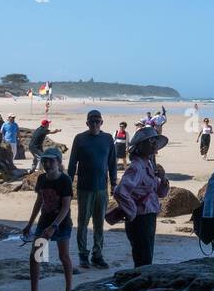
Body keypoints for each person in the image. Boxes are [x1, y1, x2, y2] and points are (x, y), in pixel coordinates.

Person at [21, 149, 74, 291]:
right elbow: (39, 202)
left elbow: (66, 207)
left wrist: (54, 227)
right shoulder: (42, 178)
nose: (48, 164)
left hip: (61, 223)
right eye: (45, 161)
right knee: (37, 256)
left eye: (51, 161)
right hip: (44, 223)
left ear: (58, 162)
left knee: (63, 256)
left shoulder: (65, 180)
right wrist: (30, 224)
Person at [66, 109, 118, 269]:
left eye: (98, 121)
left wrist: (114, 184)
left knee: (99, 224)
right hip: (84, 188)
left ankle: (97, 255)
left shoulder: (108, 139)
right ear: (87, 123)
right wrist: (67, 185)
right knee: (82, 223)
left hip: (102, 188)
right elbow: (72, 163)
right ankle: (83, 256)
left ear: (101, 123)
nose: (95, 124)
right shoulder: (80, 139)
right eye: (92, 121)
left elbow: (112, 163)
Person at [115, 125, 170, 267]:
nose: (154, 144)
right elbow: (120, 192)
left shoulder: (149, 165)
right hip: (140, 219)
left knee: (145, 257)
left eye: (155, 141)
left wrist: (163, 179)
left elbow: (160, 193)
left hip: (148, 216)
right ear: (140, 146)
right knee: (143, 260)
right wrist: (132, 212)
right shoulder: (136, 167)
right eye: (150, 141)